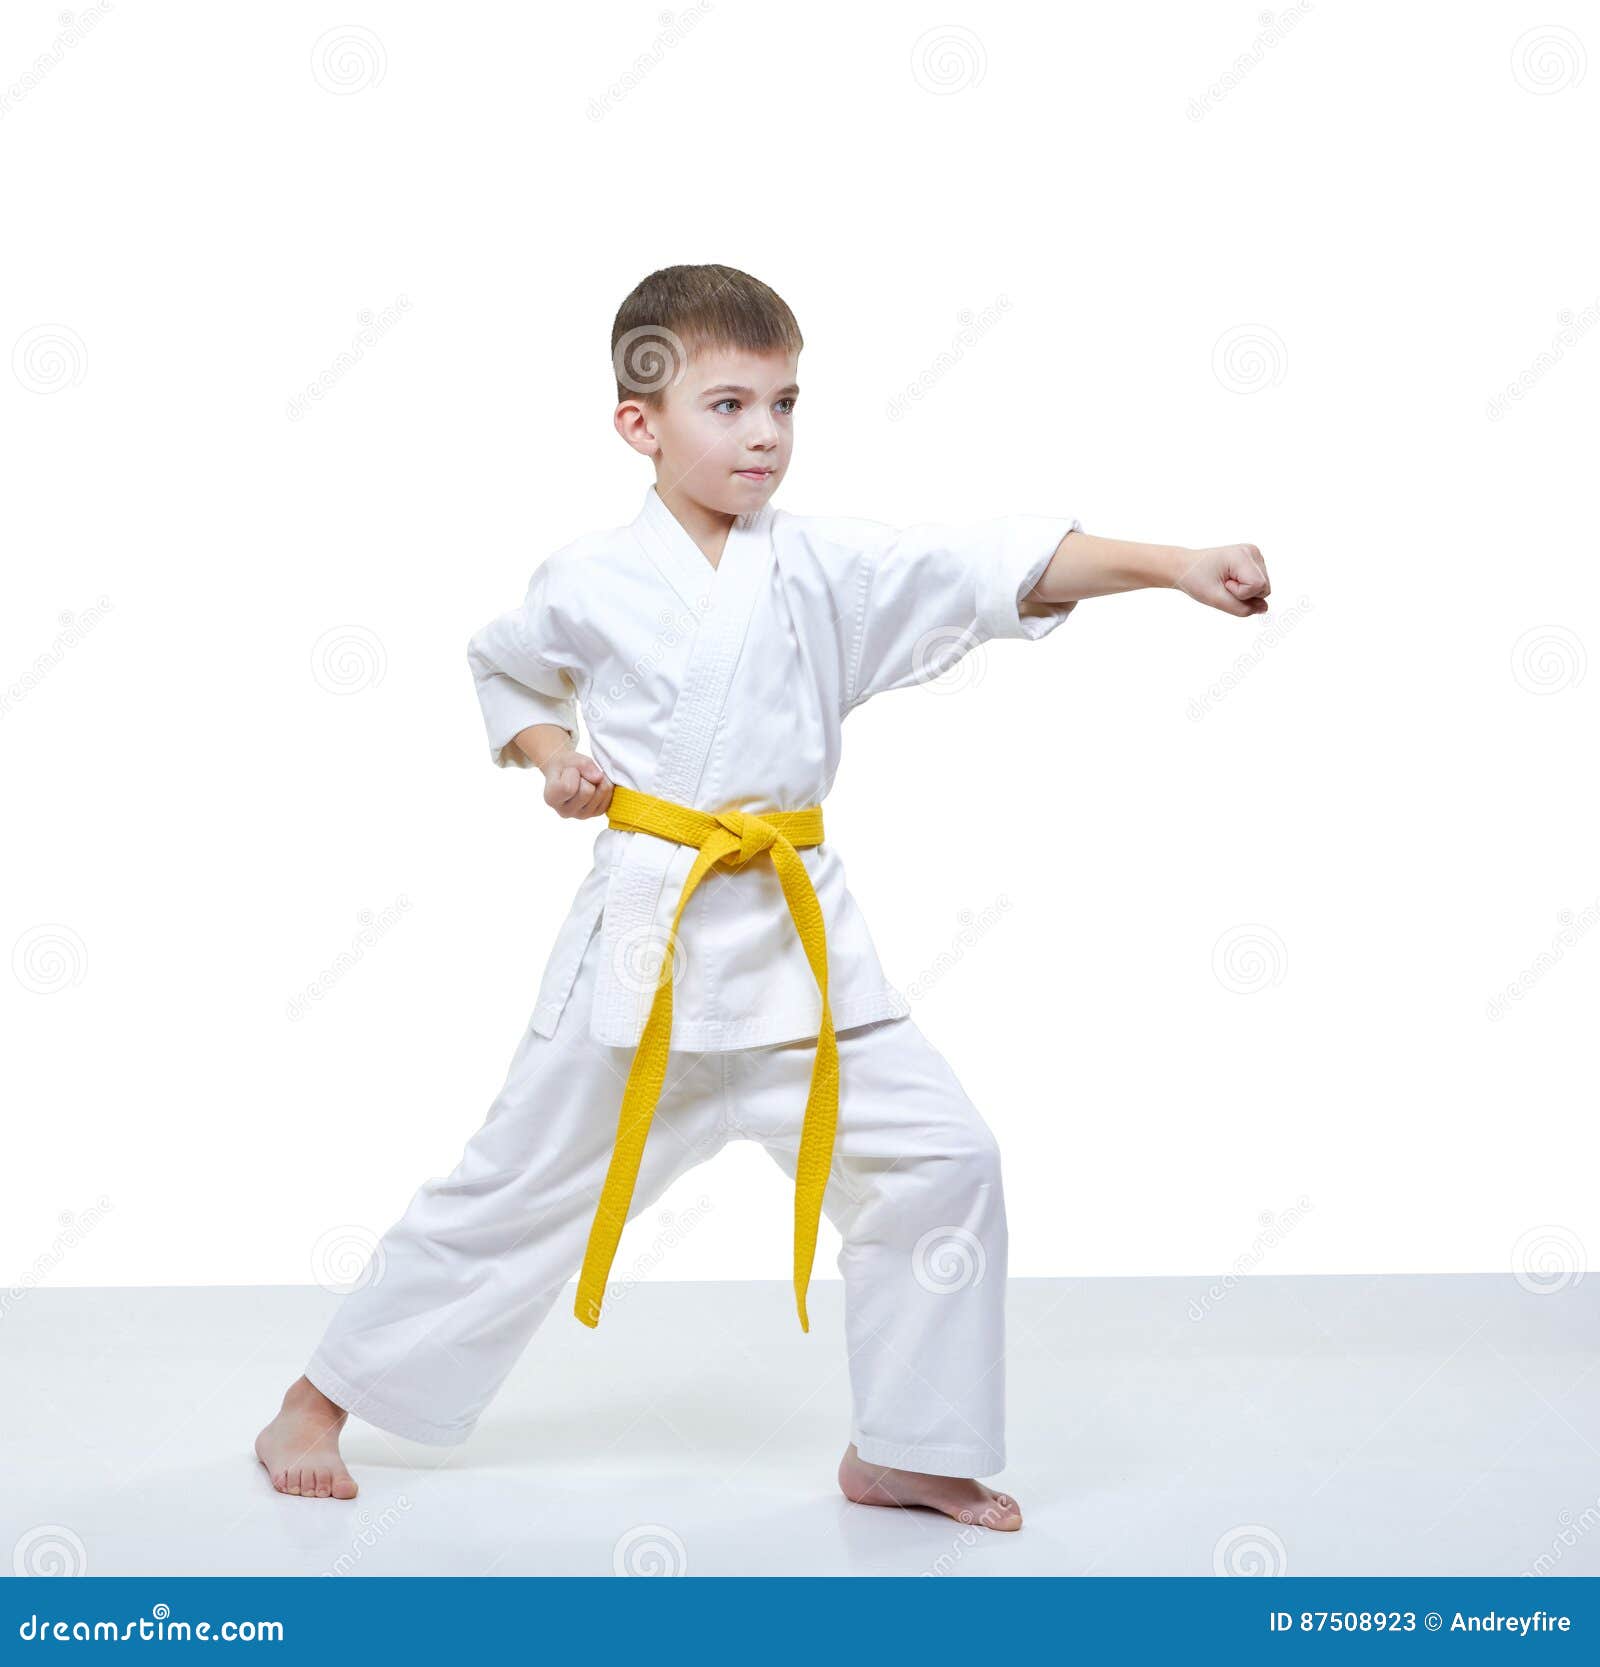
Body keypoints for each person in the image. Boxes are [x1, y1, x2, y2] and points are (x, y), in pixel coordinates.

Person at [255, 263, 1270, 1530]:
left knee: (944, 1157)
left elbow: (992, 565)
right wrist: (556, 760)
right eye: (728, 405)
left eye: (785, 403)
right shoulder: (585, 574)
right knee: (512, 1184)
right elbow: (508, 673)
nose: (767, 436)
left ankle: (908, 1443)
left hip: (798, 952)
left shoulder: (822, 567)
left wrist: (1175, 562)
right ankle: (315, 1398)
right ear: (642, 421)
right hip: (646, 948)